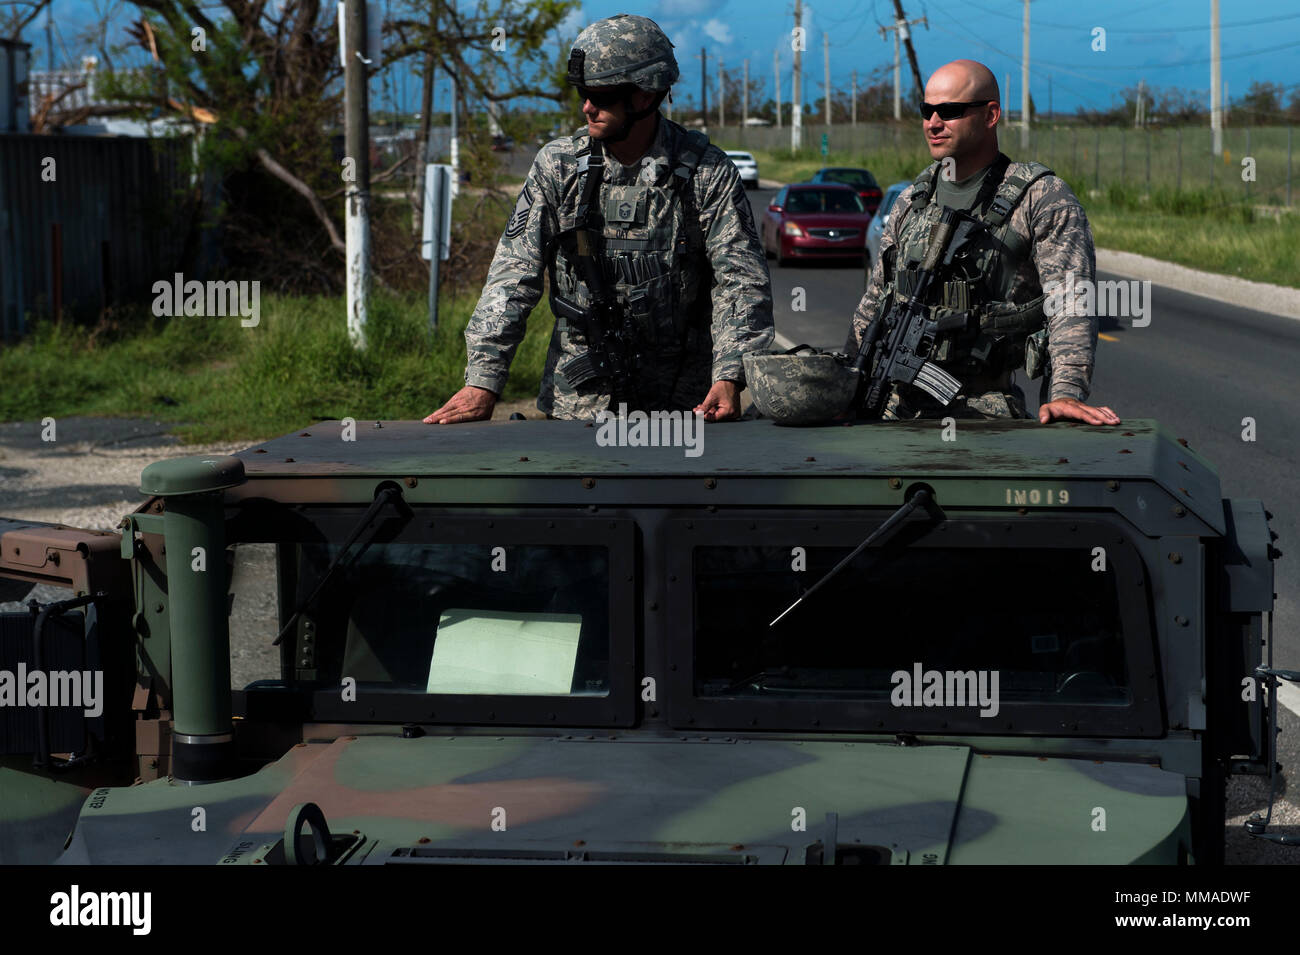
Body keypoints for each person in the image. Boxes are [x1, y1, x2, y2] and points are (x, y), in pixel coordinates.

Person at [425, 14, 773, 425]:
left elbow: (741, 280)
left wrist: (730, 375)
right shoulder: (559, 166)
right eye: (582, 94)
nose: (587, 107)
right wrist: (483, 381)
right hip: (579, 405)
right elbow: (514, 274)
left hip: (688, 406)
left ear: (646, 95)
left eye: (601, 95)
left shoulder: (705, 171)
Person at [847, 59, 1121, 425]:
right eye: (927, 110)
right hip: (890, 408)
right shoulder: (912, 200)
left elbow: (1071, 302)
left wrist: (1066, 393)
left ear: (991, 115)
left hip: (980, 413)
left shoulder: (1039, 198)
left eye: (950, 111)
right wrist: (847, 378)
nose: (933, 122)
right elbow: (875, 301)